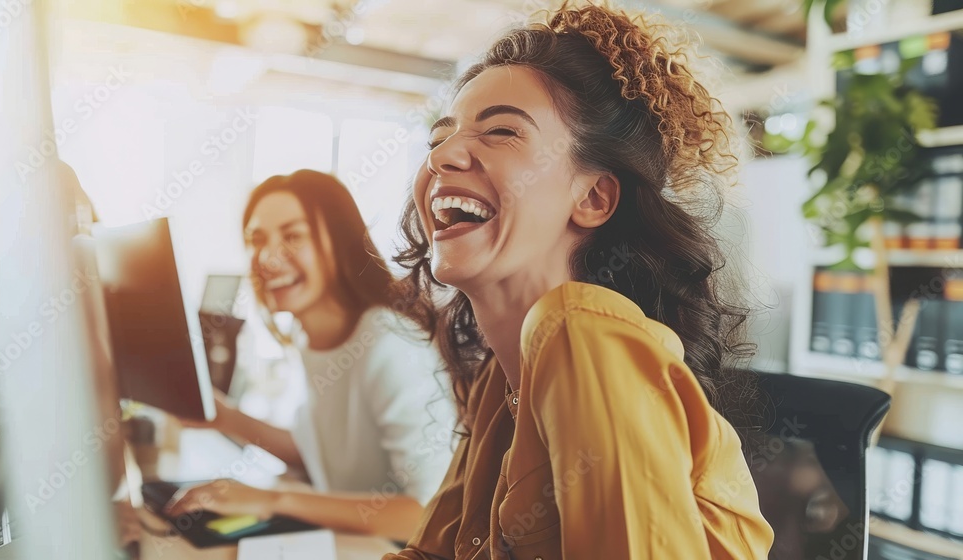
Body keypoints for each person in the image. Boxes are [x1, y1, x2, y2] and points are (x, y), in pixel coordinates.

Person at [384, 3, 774, 558]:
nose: (443, 155)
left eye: (500, 131)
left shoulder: (581, 333)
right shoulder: (506, 377)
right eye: (438, 139)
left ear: (592, 198)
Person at [165, 170, 455, 543]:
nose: (268, 257)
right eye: (257, 240)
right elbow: (322, 455)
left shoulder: (391, 345)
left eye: (292, 236)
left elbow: (427, 514)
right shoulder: (307, 338)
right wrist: (224, 417)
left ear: (339, 242)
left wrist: (274, 500)